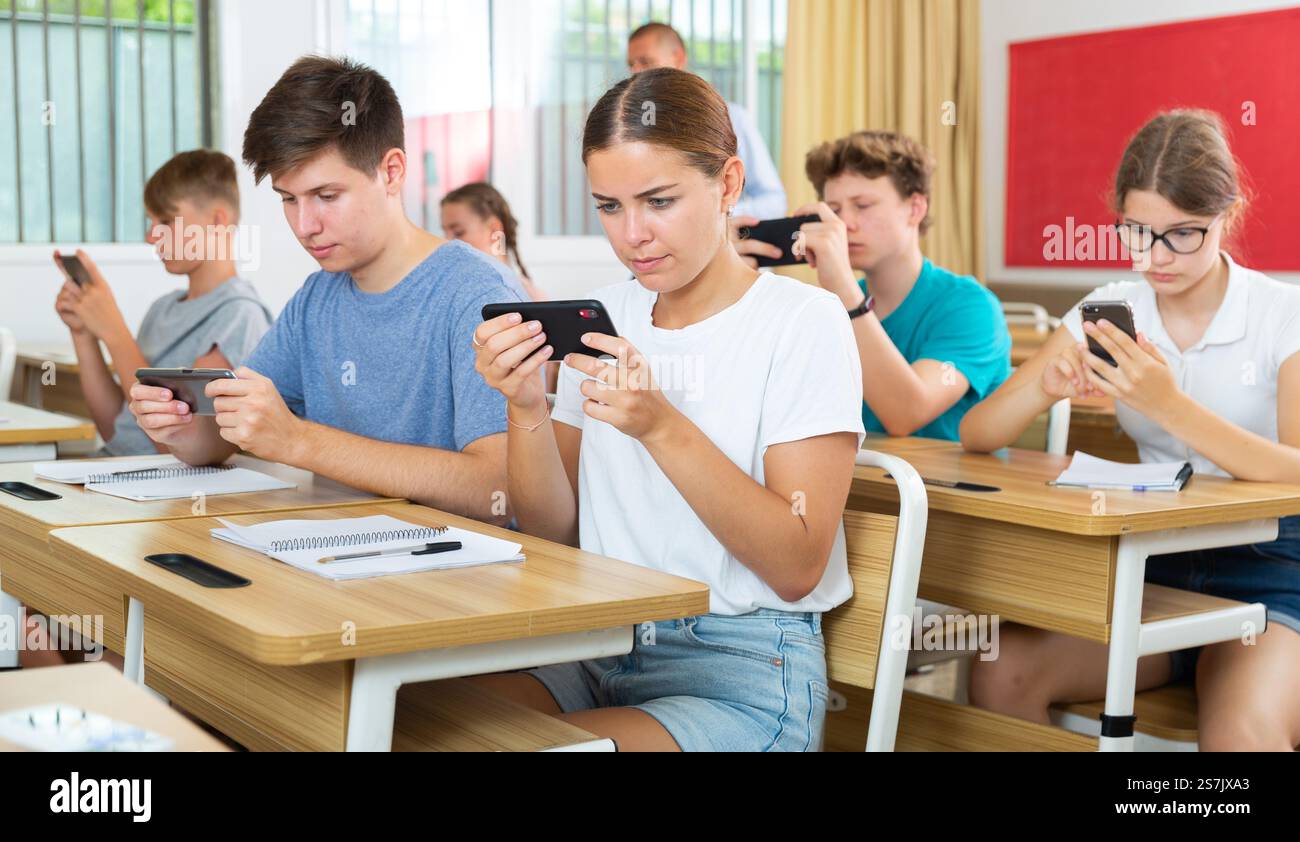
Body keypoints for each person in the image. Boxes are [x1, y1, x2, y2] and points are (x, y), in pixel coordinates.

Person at [468, 68, 865, 751]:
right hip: (595, 641)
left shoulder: (804, 320)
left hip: (739, 669)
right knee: (424, 722)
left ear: (729, 185)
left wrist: (660, 424)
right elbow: (552, 529)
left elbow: (797, 566)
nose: (633, 235)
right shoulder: (608, 313)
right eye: (610, 206)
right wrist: (526, 406)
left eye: (658, 200)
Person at [960, 109, 1300, 751]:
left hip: (1272, 563)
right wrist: (1043, 387)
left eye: (1183, 235)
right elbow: (978, 432)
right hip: (1155, 563)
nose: (1156, 256)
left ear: (1227, 216)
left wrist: (1168, 404)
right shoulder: (1112, 305)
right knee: (1002, 673)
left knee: (1238, 735)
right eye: (1137, 232)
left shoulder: (1283, 315)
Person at [127, 56, 520, 523]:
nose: (305, 226)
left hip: (453, 576)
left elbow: (498, 490)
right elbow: (223, 437)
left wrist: (298, 440)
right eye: (288, 200)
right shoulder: (317, 298)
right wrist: (180, 429)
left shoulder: (475, 293)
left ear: (391, 172)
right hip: (334, 554)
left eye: (327, 196)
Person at [736, 130, 1010, 440]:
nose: (845, 224)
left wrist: (842, 286)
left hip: (932, 486)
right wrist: (734, 290)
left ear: (915, 209)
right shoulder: (825, 307)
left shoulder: (970, 307)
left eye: (863, 206)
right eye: (834, 210)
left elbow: (906, 414)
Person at [53, 150, 271, 456]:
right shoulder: (162, 309)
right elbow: (119, 432)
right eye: (151, 221)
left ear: (217, 220)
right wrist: (84, 334)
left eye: (166, 220)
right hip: (116, 470)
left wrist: (115, 332)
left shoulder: (239, 315)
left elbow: (177, 443)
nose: (151, 236)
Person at [627, 22, 785, 219]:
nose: (636, 72)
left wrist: (720, 214)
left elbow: (773, 202)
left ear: (678, 58)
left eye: (645, 61)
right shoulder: (635, 128)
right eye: (631, 64)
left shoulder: (733, 119)